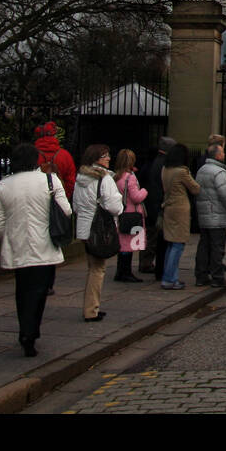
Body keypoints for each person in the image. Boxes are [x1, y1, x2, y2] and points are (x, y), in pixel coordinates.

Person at [0, 142, 71, 356]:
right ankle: (30, 332)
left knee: (22, 289)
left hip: (17, 244)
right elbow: (66, 209)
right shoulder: (49, 180)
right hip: (43, 244)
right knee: (39, 290)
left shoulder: (4, 185)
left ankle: (24, 329)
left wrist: (8, 237)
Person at [73, 144, 123, 321]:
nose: (109, 158)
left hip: (84, 228)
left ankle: (91, 306)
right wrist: (120, 205)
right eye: (105, 156)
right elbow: (114, 206)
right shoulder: (105, 179)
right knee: (98, 269)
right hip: (99, 229)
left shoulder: (81, 178)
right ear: (96, 159)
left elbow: (76, 206)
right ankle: (91, 310)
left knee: (92, 267)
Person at [34, 121, 77, 296]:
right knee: (52, 242)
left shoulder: (33, 154)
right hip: (57, 204)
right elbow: (70, 179)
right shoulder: (64, 155)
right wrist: (64, 196)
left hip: (36, 203)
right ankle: (48, 282)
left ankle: (35, 277)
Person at [194, 138, 226, 287]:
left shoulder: (201, 170)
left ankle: (201, 276)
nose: (224, 154)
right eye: (223, 152)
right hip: (217, 216)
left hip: (204, 215)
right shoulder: (219, 172)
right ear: (217, 156)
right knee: (217, 248)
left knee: (203, 247)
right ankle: (217, 277)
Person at [159, 142, 201, 289]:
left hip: (168, 207)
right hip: (180, 209)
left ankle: (170, 276)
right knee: (177, 245)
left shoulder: (165, 169)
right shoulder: (182, 172)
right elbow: (195, 189)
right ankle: (170, 278)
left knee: (171, 244)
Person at [140, 136, 174, 277]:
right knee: (153, 235)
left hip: (151, 202)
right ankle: (146, 263)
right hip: (156, 203)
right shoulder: (162, 164)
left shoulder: (155, 161)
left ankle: (146, 261)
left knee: (151, 234)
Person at [112, 149, 147, 283]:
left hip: (122, 213)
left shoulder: (117, 176)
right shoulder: (130, 177)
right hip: (132, 214)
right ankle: (125, 272)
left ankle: (120, 271)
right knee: (129, 245)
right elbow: (136, 197)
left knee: (123, 245)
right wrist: (144, 190)